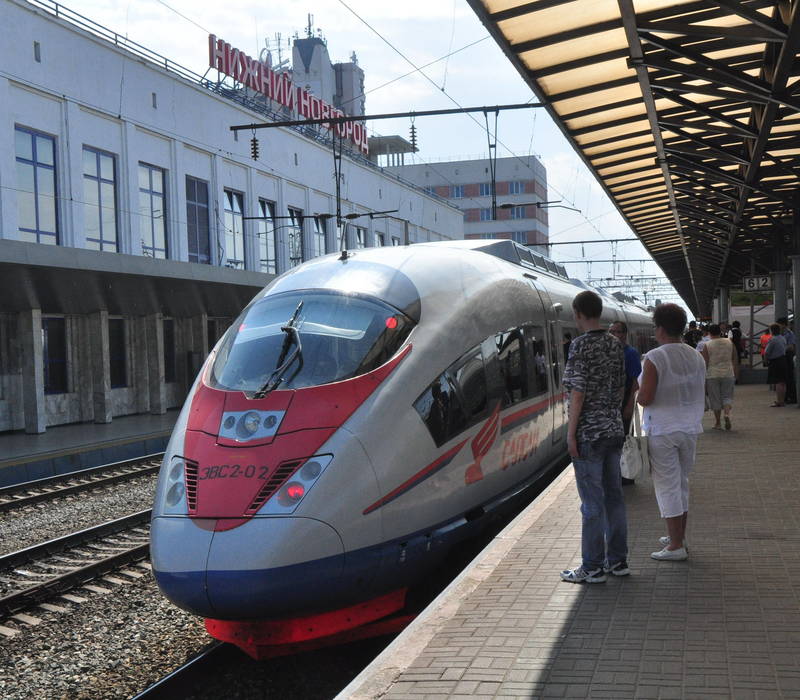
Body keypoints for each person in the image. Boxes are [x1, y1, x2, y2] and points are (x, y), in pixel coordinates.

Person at [560, 290, 627, 583]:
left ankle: (593, 567)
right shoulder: (616, 344)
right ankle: (618, 561)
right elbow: (623, 386)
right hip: (613, 429)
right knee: (614, 499)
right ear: (598, 312)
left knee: (591, 504)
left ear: (577, 314)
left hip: (589, 433)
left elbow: (578, 392)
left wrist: (571, 433)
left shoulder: (579, 346)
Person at [638, 303, 706, 561]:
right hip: (689, 428)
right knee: (681, 484)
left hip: (663, 430)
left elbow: (645, 398)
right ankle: (678, 535)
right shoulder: (696, 355)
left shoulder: (655, 357)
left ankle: (675, 546)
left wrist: (639, 388)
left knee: (667, 486)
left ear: (660, 328)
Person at [609, 321, 642, 485]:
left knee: (624, 440)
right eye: (611, 332)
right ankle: (616, 474)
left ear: (625, 334)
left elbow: (636, 383)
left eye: (618, 332)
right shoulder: (607, 353)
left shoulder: (630, 353)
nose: (615, 335)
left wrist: (629, 405)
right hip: (610, 407)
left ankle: (626, 476)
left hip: (624, 405)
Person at [701, 324, 739, 430]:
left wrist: (703, 378)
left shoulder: (707, 345)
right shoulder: (729, 342)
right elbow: (735, 359)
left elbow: (705, 362)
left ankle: (717, 422)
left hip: (712, 375)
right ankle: (726, 414)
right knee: (727, 397)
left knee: (715, 399)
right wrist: (736, 373)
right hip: (728, 373)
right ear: (720, 332)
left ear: (709, 333)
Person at [764, 323, 788, 406]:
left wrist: (766, 361)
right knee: (783, 382)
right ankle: (783, 401)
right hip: (783, 360)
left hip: (775, 362)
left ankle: (779, 401)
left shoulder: (772, 339)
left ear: (772, 330)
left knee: (778, 382)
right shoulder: (783, 338)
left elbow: (766, 352)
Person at [778, 317, 796, 404]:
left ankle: (792, 397)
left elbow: (791, 346)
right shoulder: (779, 334)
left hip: (788, 356)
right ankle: (785, 397)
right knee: (783, 378)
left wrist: (781, 349)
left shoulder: (790, 334)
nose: (778, 326)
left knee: (789, 377)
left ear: (784, 325)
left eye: (779, 324)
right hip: (782, 357)